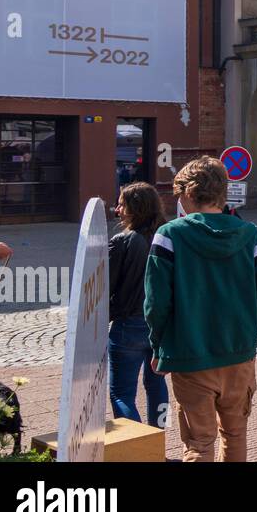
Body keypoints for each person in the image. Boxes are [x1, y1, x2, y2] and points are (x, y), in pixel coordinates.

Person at [145, 156, 257, 461]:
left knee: (199, 443)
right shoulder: (251, 235)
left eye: (179, 196)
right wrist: (247, 335)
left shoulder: (170, 235)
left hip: (190, 354)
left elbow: (155, 302)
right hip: (239, 354)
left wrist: (158, 346)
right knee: (235, 434)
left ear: (189, 193)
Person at [108, 182, 169, 428]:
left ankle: (138, 451)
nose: (117, 210)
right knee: (157, 385)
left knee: (122, 394)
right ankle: (159, 446)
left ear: (135, 208)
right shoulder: (168, 236)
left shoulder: (122, 241)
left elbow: (107, 287)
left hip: (128, 325)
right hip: (161, 325)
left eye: (121, 204)